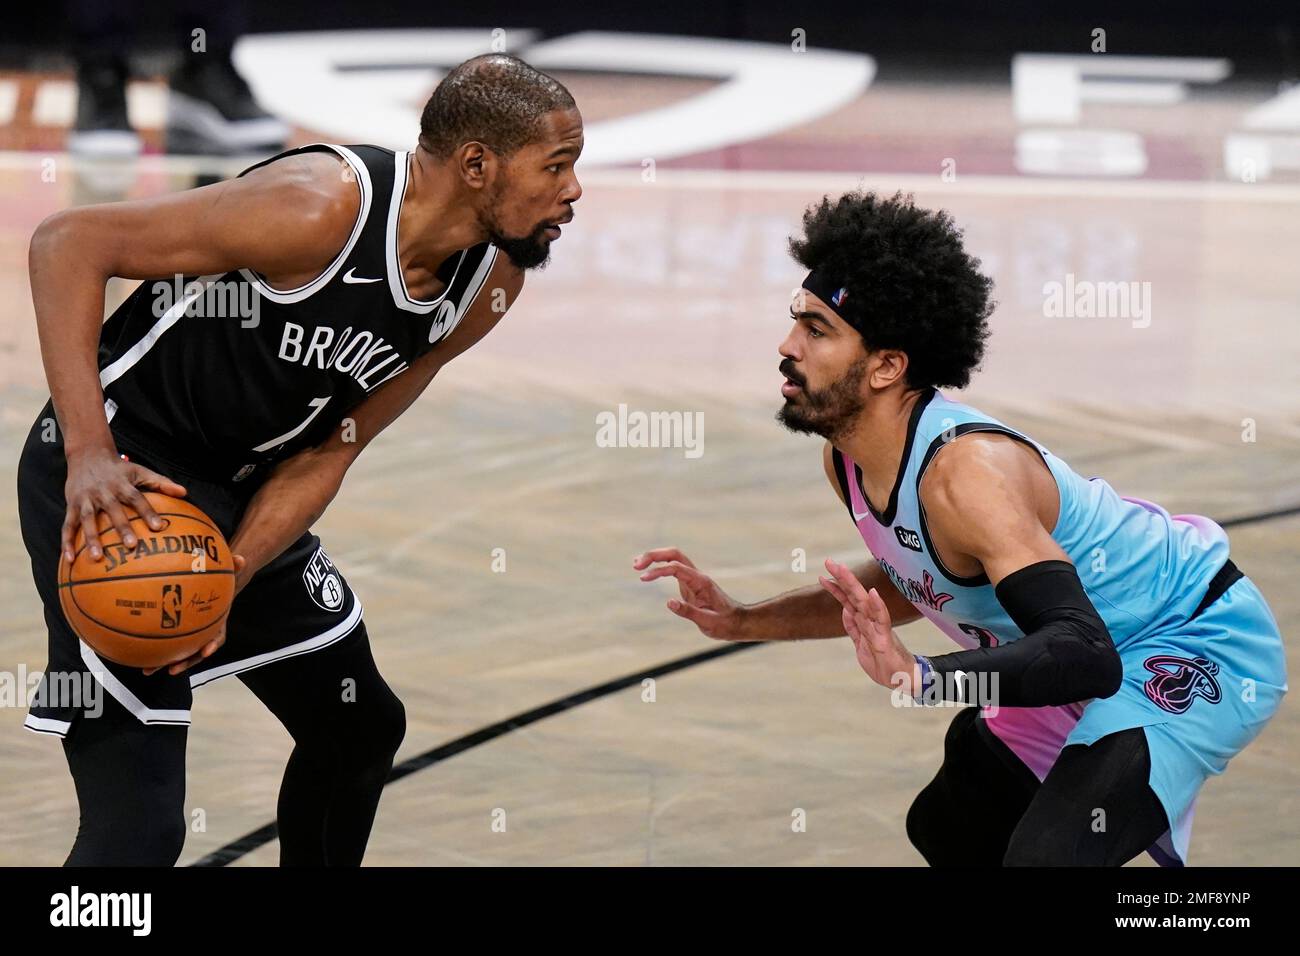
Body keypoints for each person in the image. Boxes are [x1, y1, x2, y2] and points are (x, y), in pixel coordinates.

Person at [20, 53, 582, 866]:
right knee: (139, 831)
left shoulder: (487, 284)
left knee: (357, 726)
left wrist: (233, 572)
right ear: (475, 165)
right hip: (121, 482)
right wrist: (87, 452)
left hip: (245, 494)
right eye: (556, 167)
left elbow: (331, 449)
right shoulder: (318, 209)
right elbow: (67, 242)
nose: (572, 192)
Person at [635, 191, 1287, 866]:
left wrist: (926, 677)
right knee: (954, 829)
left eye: (817, 330)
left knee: (1047, 859)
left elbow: (1085, 652)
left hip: (1191, 642)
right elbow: (914, 580)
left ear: (888, 366)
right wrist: (742, 619)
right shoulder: (851, 459)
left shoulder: (966, 475)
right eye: (796, 321)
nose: (786, 346)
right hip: (1078, 649)